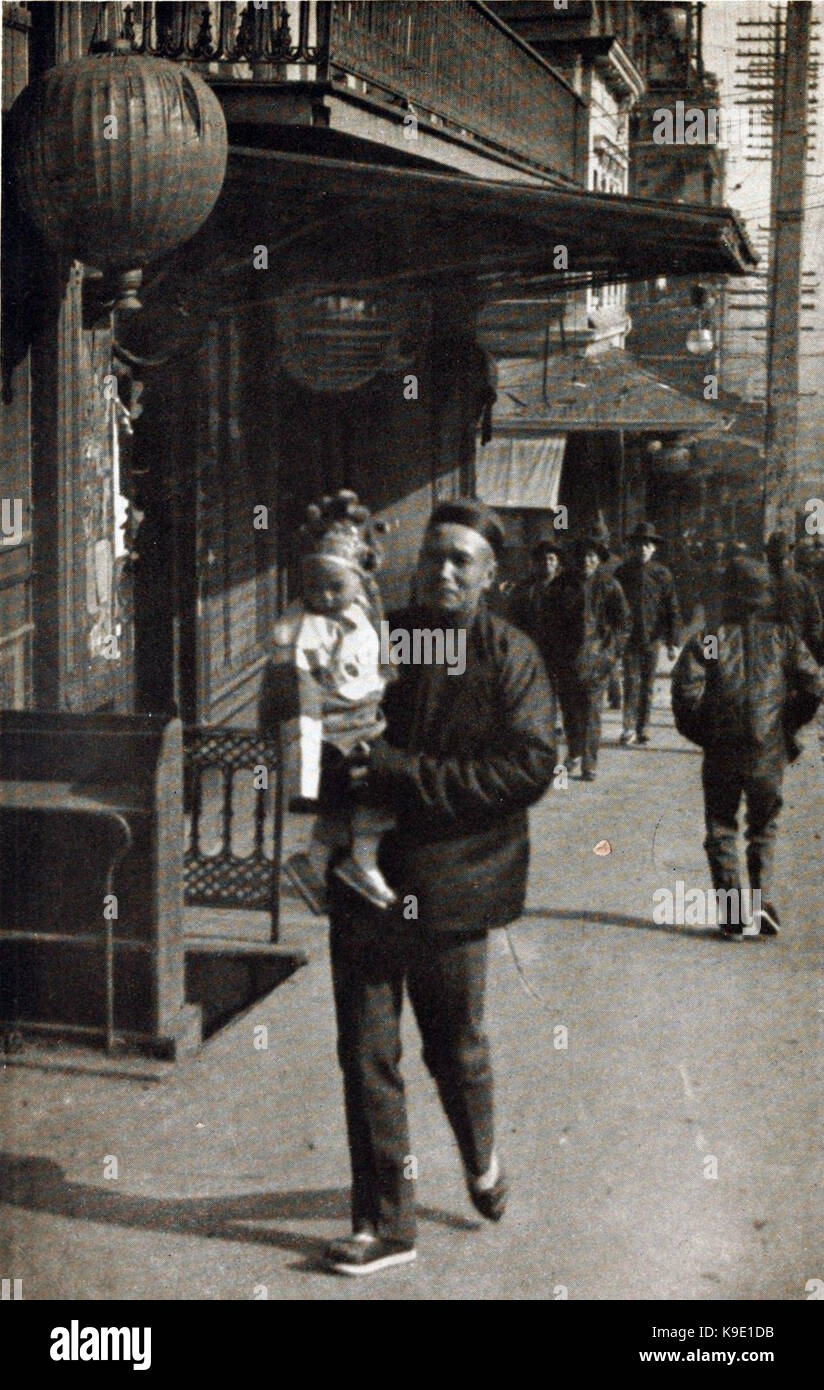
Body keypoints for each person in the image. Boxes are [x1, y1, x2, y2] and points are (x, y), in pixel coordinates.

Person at [322, 498, 557, 1275]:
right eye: (432, 556)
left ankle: (481, 1157)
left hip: (454, 882)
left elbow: (526, 769)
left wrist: (400, 774)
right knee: (365, 1051)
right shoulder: (380, 639)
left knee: (454, 1048)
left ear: (490, 576)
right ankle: (386, 1223)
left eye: (462, 559)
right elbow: (329, 725)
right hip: (365, 880)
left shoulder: (510, 657)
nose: (443, 570)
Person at [258, 490, 396, 912]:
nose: (327, 597)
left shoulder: (364, 612)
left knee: (348, 812)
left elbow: (378, 662)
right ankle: (355, 862)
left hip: (366, 722)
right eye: (315, 586)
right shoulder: (304, 626)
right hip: (333, 736)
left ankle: (321, 863)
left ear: (359, 580)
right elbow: (294, 691)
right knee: (371, 796)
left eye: (337, 586)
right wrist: (303, 763)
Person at [671, 556, 823, 939]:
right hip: (768, 750)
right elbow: (812, 687)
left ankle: (734, 914)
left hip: (722, 750)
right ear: (764, 596)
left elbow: (685, 692)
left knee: (721, 826)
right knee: (763, 827)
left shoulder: (710, 637)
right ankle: (760, 902)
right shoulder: (783, 636)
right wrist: (785, 726)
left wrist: (705, 734)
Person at [547, 532, 630, 781]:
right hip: (567, 660)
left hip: (597, 660)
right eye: (582, 556)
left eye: (592, 556)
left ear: (598, 559)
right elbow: (548, 623)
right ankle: (573, 753)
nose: (586, 561)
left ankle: (589, 763)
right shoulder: (560, 586)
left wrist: (612, 653)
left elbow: (623, 623)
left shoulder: (609, 586)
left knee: (592, 712)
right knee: (571, 712)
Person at [615, 521, 680, 746]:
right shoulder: (622, 573)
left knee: (648, 684)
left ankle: (644, 726)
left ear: (654, 548)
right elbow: (614, 607)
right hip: (629, 638)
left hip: (653, 638)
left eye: (648, 544)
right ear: (633, 547)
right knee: (631, 683)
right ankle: (628, 727)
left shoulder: (662, 574)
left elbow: (672, 608)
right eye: (639, 544)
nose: (643, 548)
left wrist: (672, 642)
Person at [507, 539, 565, 734]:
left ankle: (554, 720)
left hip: (557, 644)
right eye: (543, 560)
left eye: (551, 559)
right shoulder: (526, 588)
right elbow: (514, 617)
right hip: (532, 643)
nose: (547, 563)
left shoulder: (565, 587)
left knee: (556, 685)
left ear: (557, 562)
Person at [764, 531, 824, 665]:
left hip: (767, 653)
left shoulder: (759, 582)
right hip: (797, 653)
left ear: (768, 554)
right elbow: (815, 622)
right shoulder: (802, 583)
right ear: (789, 554)